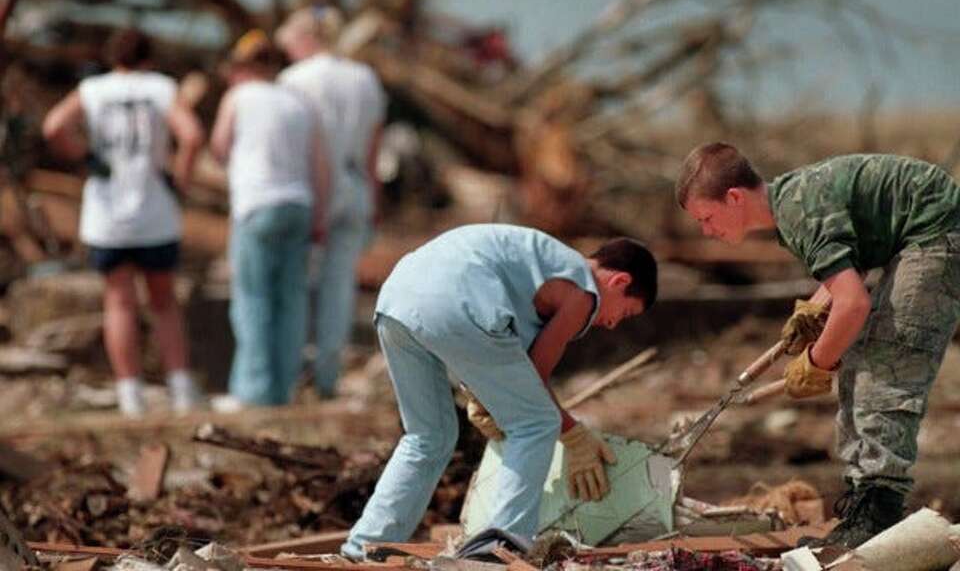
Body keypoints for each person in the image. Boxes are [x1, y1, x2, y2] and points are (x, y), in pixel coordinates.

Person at [675, 142, 960, 548]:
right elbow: (851, 267)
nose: (706, 231)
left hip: (937, 233)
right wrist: (813, 309)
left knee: (884, 368)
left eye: (707, 217)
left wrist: (815, 363)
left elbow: (853, 302)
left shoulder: (798, 212)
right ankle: (864, 498)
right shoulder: (792, 203)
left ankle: (878, 510)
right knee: (860, 357)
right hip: (914, 236)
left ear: (734, 198)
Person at [341, 224, 658, 560]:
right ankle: (496, 552)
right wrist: (574, 435)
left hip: (397, 299)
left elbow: (509, 369)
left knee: (429, 436)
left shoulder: (544, 259)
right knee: (536, 424)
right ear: (619, 281)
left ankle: (362, 548)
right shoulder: (584, 291)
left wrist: (482, 395)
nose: (612, 323)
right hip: (456, 303)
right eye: (624, 312)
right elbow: (535, 379)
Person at [42, 27, 205, 416]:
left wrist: (84, 156)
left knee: (119, 303)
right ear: (149, 57)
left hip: (107, 212)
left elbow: (53, 126)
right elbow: (192, 135)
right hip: (155, 210)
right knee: (164, 302)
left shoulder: (94, 89)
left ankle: (130, 393)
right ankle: (180, 387)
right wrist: (179, 179)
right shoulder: (162, 88)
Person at [208, 30, 329, 409]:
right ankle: (284, 388)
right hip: (299, 204)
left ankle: (253, 390)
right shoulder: (299, 102)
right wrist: (320, 216)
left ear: (245, 67)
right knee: (291, 300)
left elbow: (219, 146)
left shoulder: (238, 97)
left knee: (252, 298)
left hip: (256, 204)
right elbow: (320, 166)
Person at [275, 6, 387, 398]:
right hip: (355, 186)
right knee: (339, 287)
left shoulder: (293, 80)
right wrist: (373, 200)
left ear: (306, 38)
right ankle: (327, 375)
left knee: (298, 283)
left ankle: (293, 372)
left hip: (309, 188)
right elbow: (373, 148)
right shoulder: (365, 78)